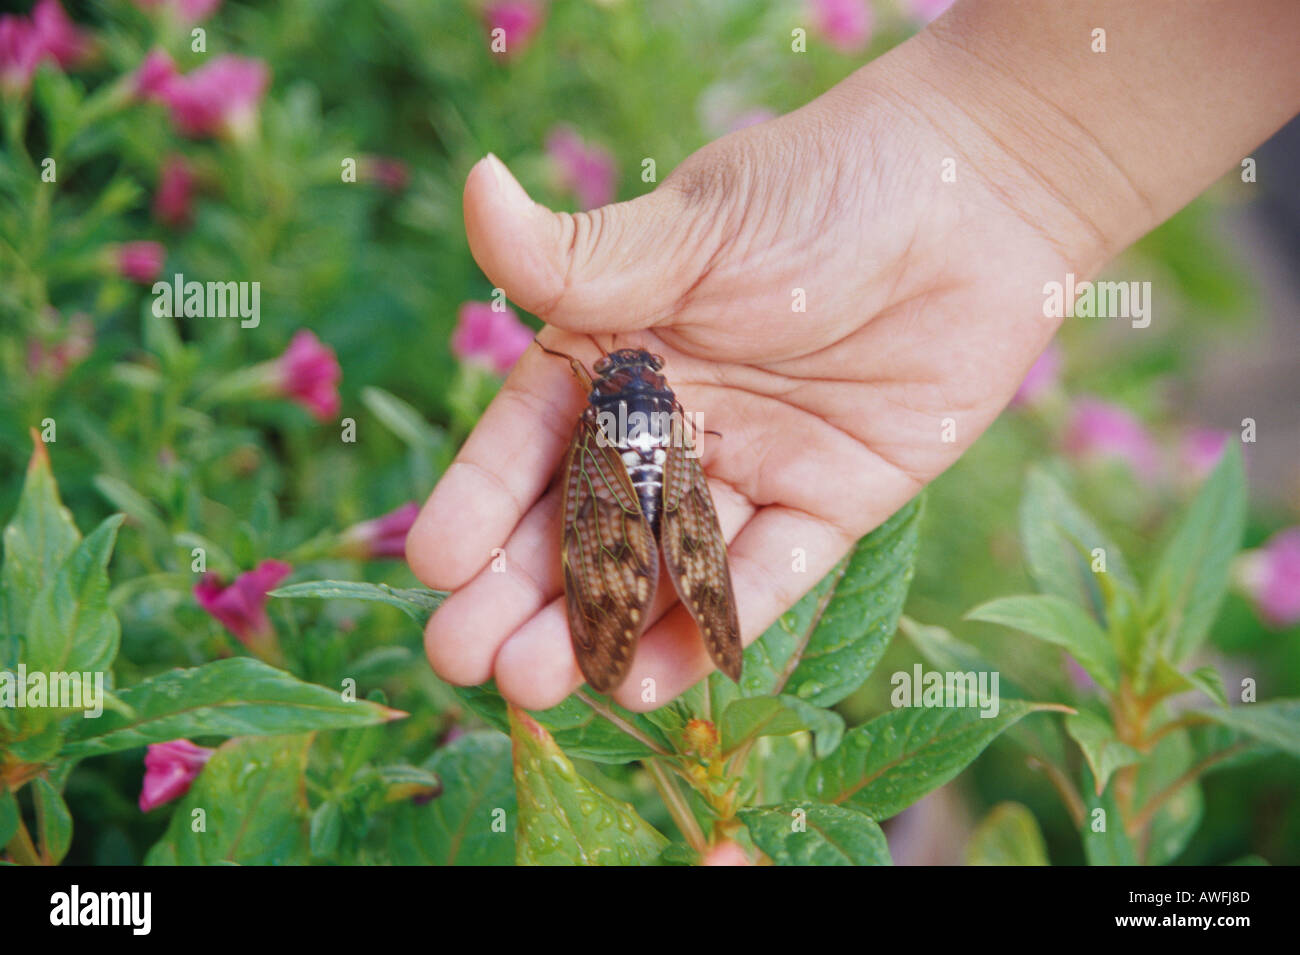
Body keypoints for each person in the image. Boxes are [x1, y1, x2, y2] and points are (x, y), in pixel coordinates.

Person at [406, 0, 1300, 711]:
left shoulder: (597, 400)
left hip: (620, 467)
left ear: (608, 388)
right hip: (661, 465)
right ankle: (671, 602)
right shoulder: (654, 406)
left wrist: (1017, 148)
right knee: (657, 533)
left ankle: (645, 601)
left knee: (598, 524)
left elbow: (587, 462)